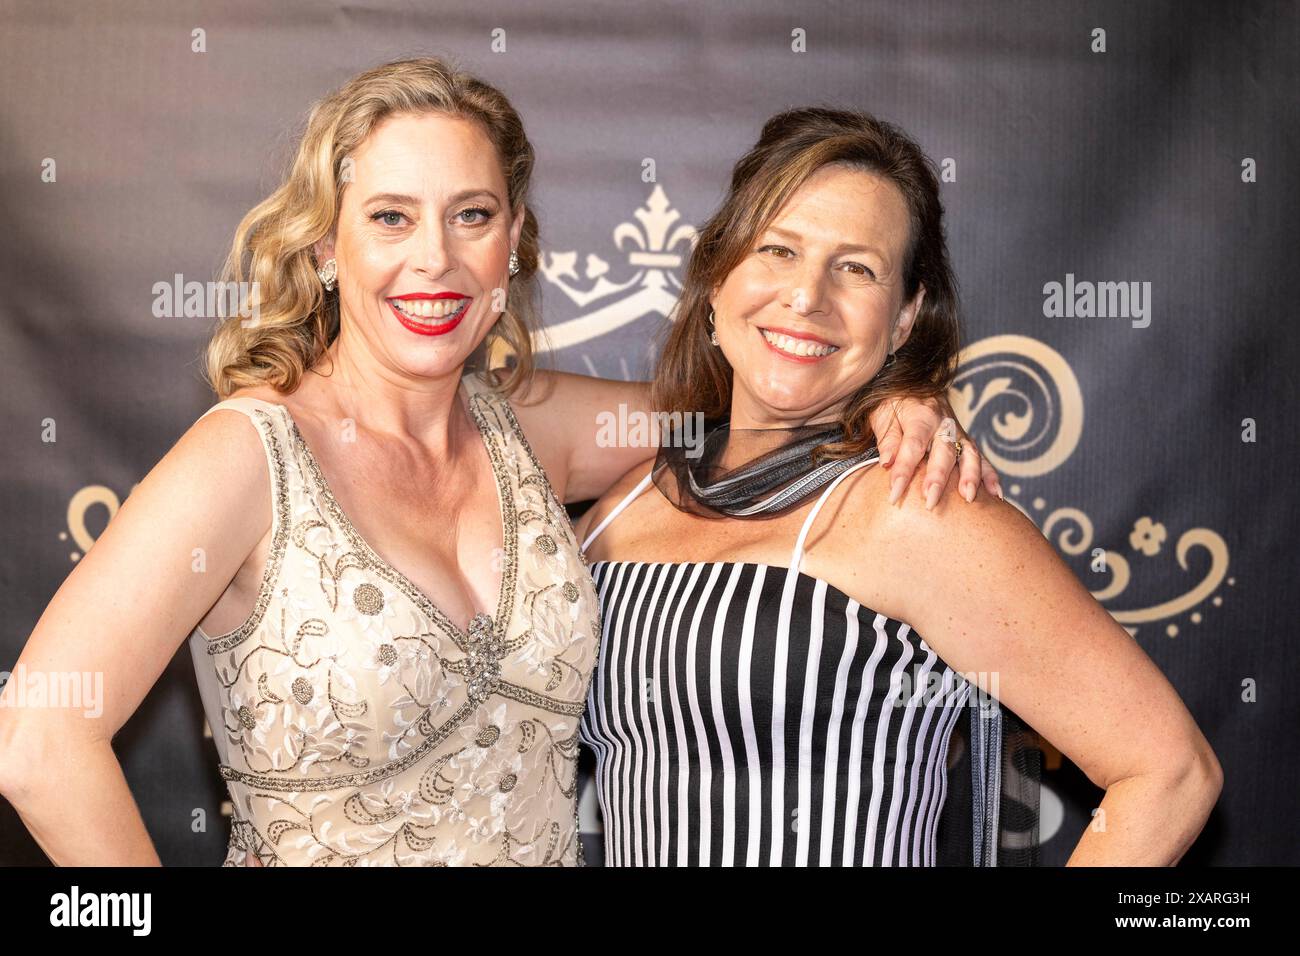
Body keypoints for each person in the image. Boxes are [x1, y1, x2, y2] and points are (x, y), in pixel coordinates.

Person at [0, 60, 985, 866]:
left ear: (513, 242)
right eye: (390, 217)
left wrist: (897, 395)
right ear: (325, 247)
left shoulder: (535, 426)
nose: (434, 257)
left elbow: (759, 410)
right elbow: (39, 740)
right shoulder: (248, 455)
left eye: (471, 215)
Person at [574, 107, 1223, 866]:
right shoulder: (624, 500)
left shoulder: (920, 504)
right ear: (717, 276)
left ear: (906, 316)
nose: (807, 296)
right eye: (778, 249)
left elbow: (1171, 772)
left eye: (857, 268)